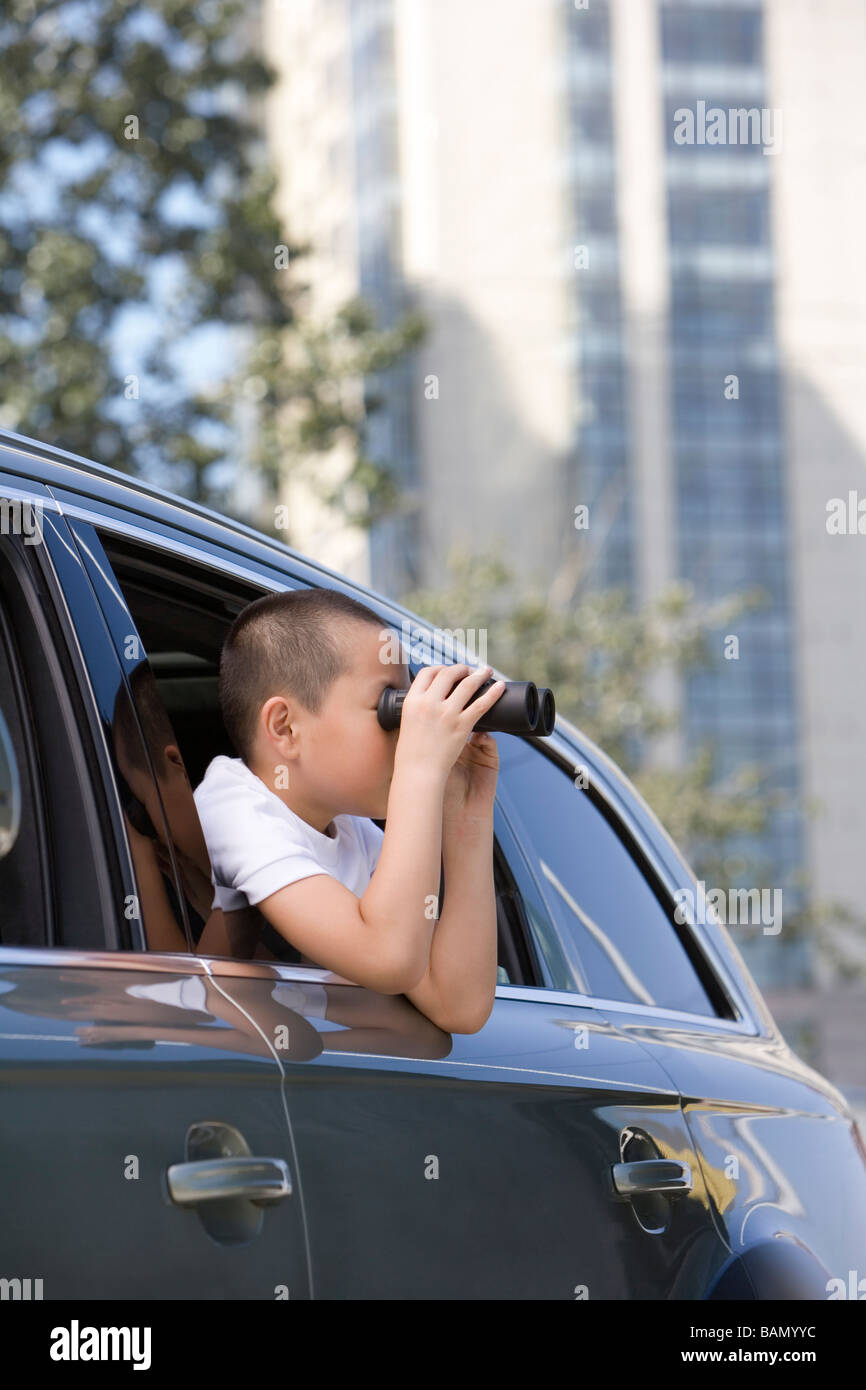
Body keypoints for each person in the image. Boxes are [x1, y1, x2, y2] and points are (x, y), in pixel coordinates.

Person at [193, 588, 506, 1034]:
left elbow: (458, 1006)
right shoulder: (235, 804)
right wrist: (420, 770)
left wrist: (469, 819)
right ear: (285, 727)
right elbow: (389, 958)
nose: (406, 731)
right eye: (389, 707)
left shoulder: (352, 831)